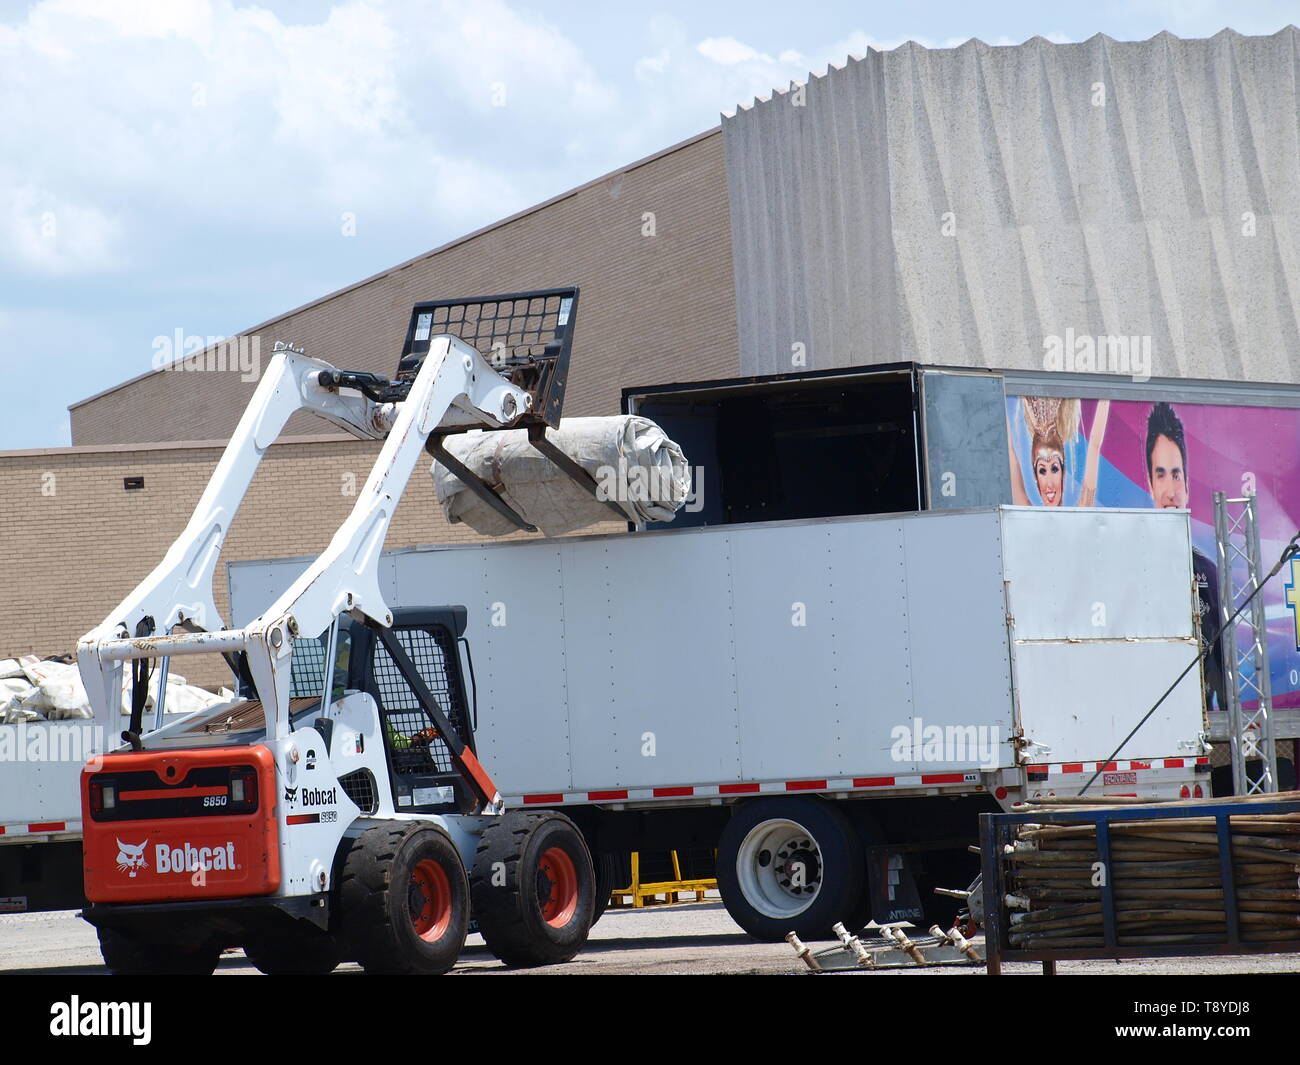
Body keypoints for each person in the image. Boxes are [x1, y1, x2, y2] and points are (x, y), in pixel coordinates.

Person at [1144, 402, 1227, 712]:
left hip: (1199, 710)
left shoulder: (1206, 568)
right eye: (1161, 475)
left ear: (1188, 485)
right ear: (1150, 484)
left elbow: (1220, 650)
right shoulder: (1134, 566)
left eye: (1176, 475)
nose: (1170, 491)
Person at [1008, 397, 1110, 507]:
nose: (1049, 484)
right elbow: (1009, 452)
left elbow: (1094, 446)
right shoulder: (1029, 514)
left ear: (1063, 472)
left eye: (1054, 468)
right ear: (1036, 477)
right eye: (1042, 471)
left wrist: (1107, 390)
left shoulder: (1081, 511)